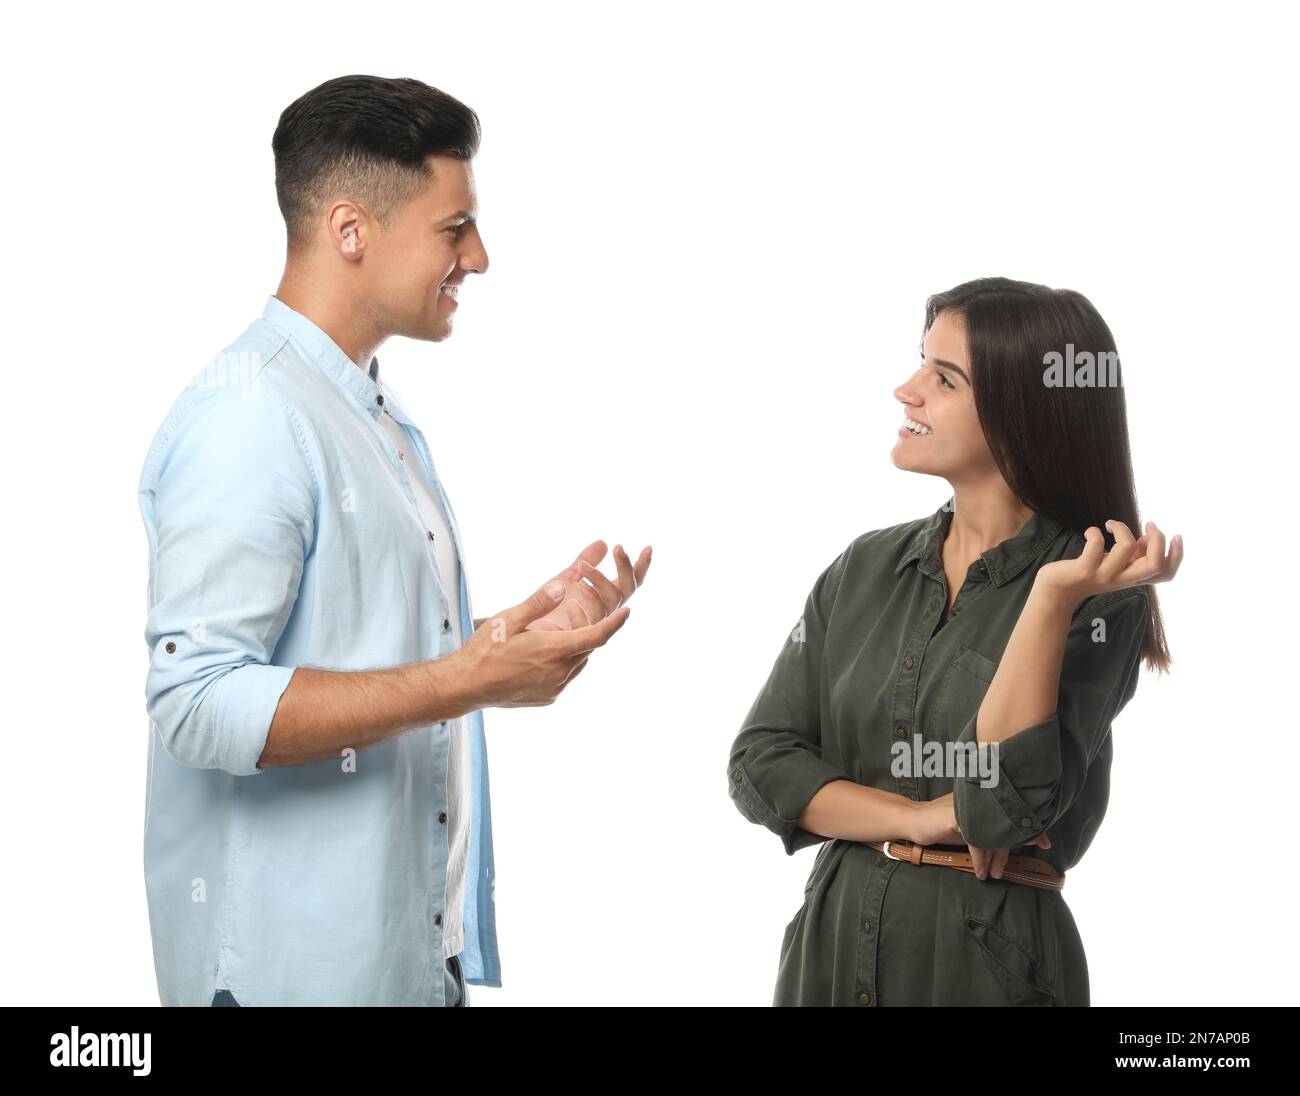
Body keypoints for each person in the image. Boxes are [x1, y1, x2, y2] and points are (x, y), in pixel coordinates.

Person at [138, 74, 651, 1007]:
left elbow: (361, 654)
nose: (481, 258)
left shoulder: (366, 414)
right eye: (455, 228)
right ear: (350, 230)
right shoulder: (250, 417)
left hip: (401, 966)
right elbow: (197, 700)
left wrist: (505, 640)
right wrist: (466, 679)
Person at [727, 276, 1182, 1006]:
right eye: (920, 364)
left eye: (944, 379)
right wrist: (915, 817)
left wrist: (1048, 597)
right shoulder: (864, 567)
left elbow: (1002, 808)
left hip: (986, 961)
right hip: (833, 944)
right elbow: (759, 764)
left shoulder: (1100, 598)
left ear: (1023, 410)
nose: (906, 391)